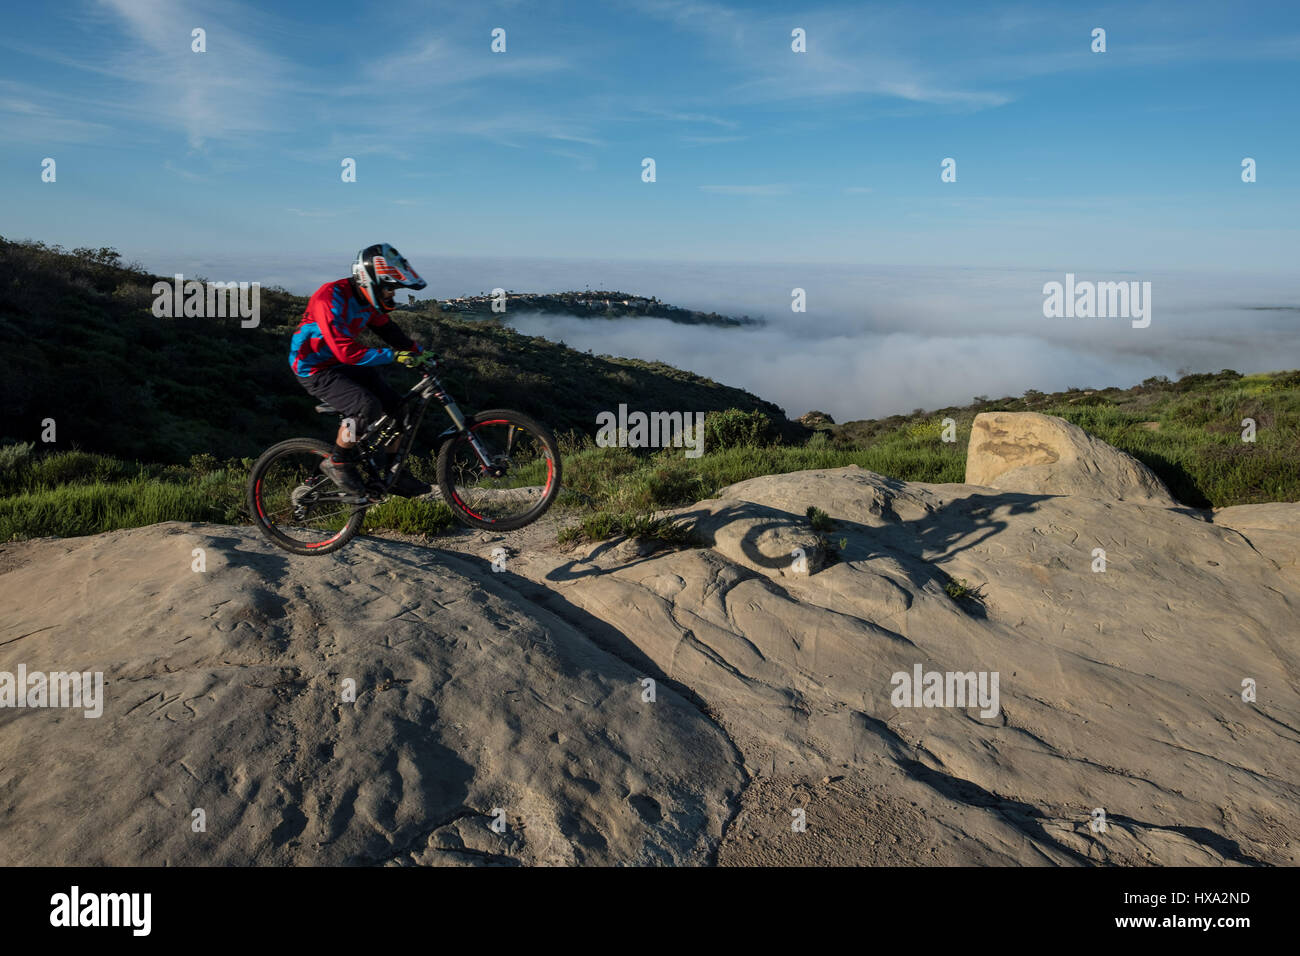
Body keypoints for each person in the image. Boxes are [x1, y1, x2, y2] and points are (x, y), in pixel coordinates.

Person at [288, 243, 434, 496]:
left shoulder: (367, 300)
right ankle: (338, 460)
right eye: (389, 287)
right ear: (370, 282)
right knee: (364, 407)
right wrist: (394, 356)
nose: (392, 294)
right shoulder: (330, 298)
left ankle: (394, 473)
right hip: (313, 368)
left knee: (399, 408)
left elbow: (388, 330)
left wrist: (419, 352)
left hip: (341, 363)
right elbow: (346, 351)